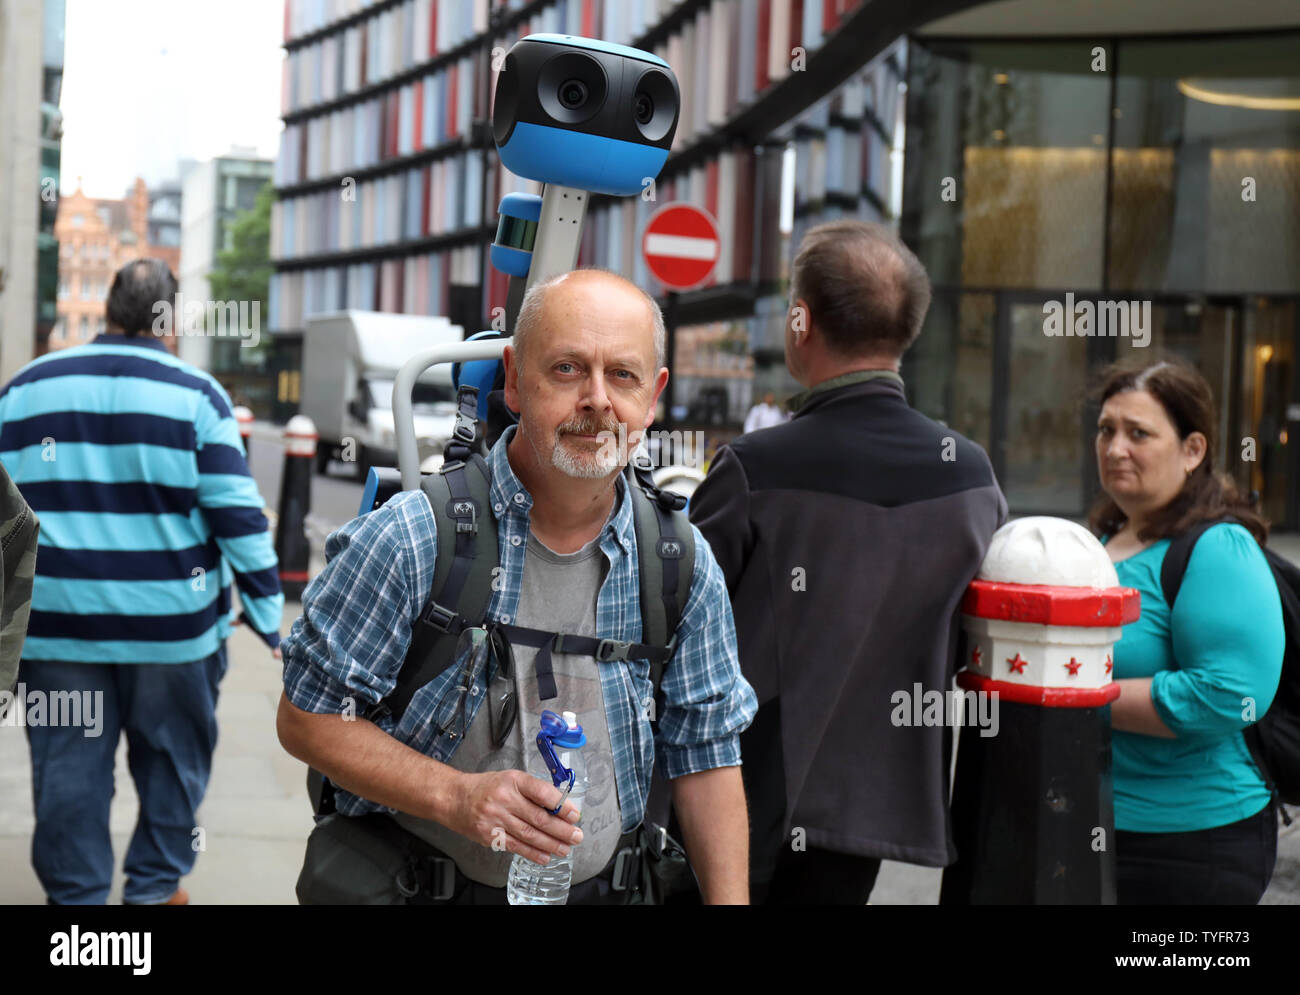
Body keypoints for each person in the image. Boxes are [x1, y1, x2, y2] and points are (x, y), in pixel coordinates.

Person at [277, 268, 757, 904]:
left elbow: (708, 757)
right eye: (566, 369)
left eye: (622, 374)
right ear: (514, 379)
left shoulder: (680, 562)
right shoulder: (414, 539)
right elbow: (306, 718)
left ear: (654, 394)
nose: (596, 399)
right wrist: (457, 796)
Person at [689, 220, 1006, 905]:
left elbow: (678, 622)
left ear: (800, 321)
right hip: (877, 797)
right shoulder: (972, 478)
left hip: (739, 784)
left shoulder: (754, 465)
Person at [0, 258, 283, 905]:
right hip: (171, 636)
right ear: (170, 320)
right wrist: (268, 615)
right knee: (173, 764)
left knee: (68, 770)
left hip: (56, 633)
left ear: (106, 310)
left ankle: (77, 905)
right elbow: (239, 518)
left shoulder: (22, 391)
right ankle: (153, 892)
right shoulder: (196, 396)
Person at [1091, 357, 1283, 904]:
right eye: (1106, 429)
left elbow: (1229, 695)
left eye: (1138, 433)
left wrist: (1078, 695)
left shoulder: (1218, 548)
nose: (1114, 448)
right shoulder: (1098, 540)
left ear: (1193, 450)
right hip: (1094, 827)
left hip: (1193, 845)